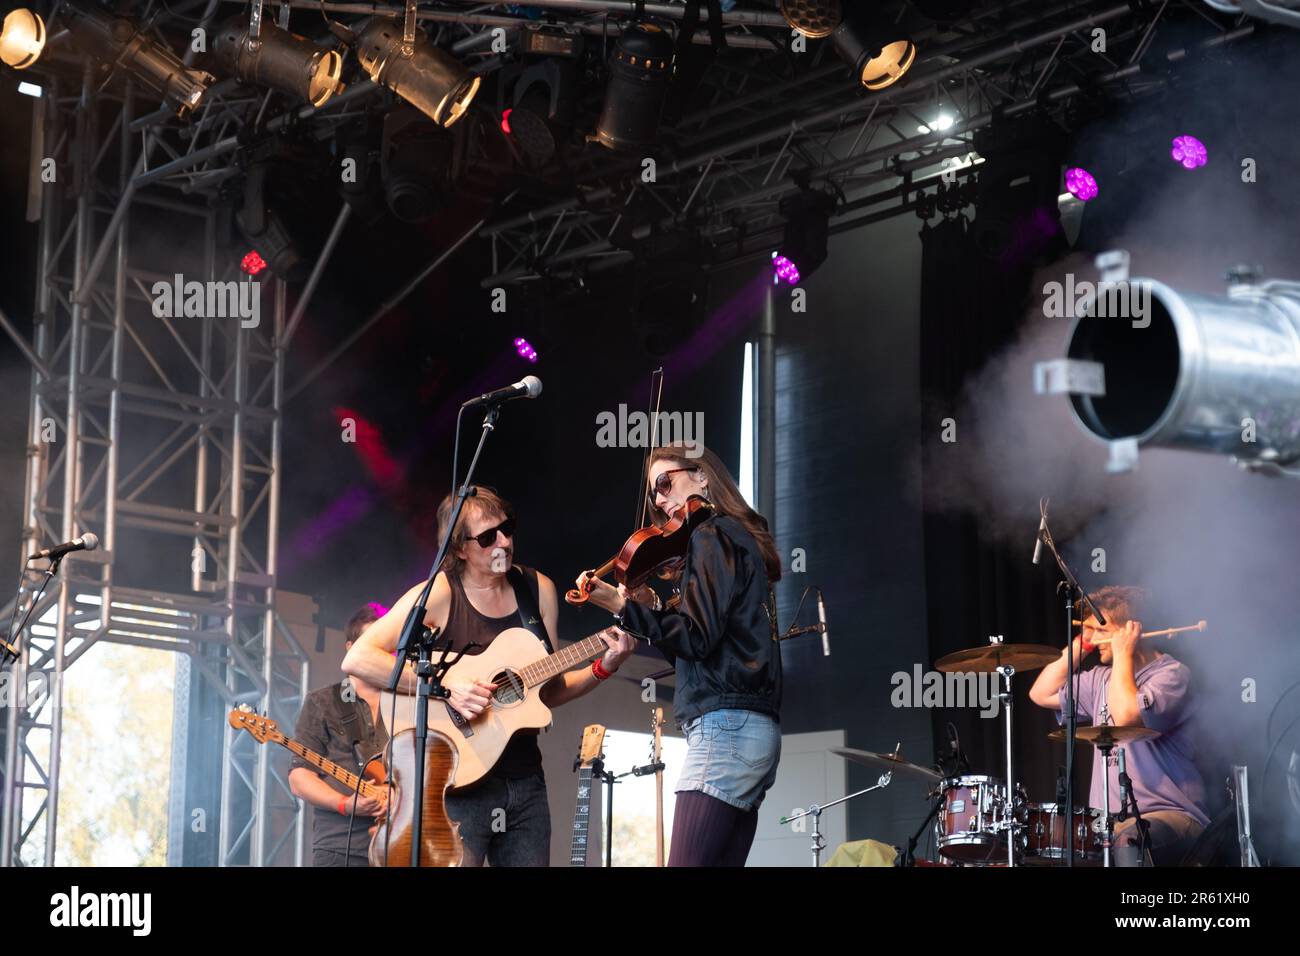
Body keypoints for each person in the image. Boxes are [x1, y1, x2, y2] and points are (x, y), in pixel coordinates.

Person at [342, 487, 636, 866]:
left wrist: (604, 667)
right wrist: (447, 689)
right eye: (487, 537)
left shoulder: (538, 590)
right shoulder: (439, 593)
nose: (504, 542)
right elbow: (360, 659)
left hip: (525, 784)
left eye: (507, 529)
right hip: (457, 785)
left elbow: (546, 692)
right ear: (460, 548)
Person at [577, 443, 783, 867]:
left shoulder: (710, 534)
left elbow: (695, 638)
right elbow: (698, 652)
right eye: (654, 491)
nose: (659, 498)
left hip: (726, 729)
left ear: (703, 476)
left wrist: (622, 608)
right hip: (754, 728)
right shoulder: (735, 537)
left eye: (666, 483)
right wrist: (647, 612)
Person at [1028, 585, 1209, 865]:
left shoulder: (1172, 676)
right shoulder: (1100, 678)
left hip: (1167, 814)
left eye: (1101, 630)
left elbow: (1126, 716)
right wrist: (1083, 644)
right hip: (1110, 822)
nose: (1093, 638)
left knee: (1129, 841)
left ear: (1131, 630)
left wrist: (1123, 653)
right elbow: (1041, 693)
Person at [288, 603, 391, 867]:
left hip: (403, 845)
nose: (379, 654)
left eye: (386, 645)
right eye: (371, 645)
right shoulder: (322, 702)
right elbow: (300, 778)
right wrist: (345, 803)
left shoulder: (412, 703)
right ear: (350, 649)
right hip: (340, 847)